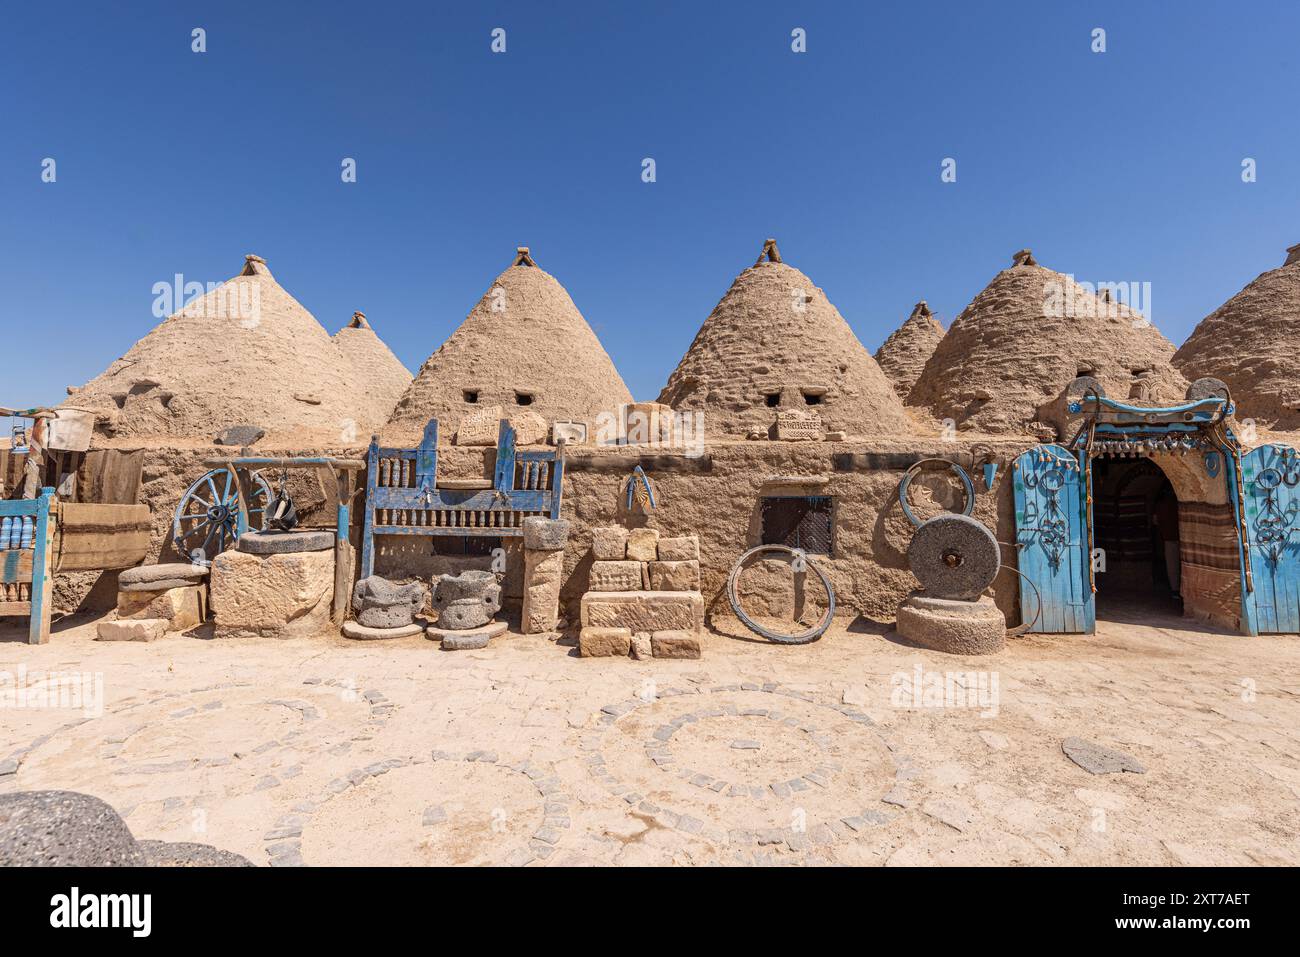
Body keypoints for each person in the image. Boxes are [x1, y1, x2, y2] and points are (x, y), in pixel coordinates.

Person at [1153, 488, 1181, 598]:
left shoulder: (1160, 506)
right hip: (1179, 537)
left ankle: (1175, 589)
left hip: (1168, 537)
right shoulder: (1177, 504)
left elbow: (1155, 521)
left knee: (1172, 564)